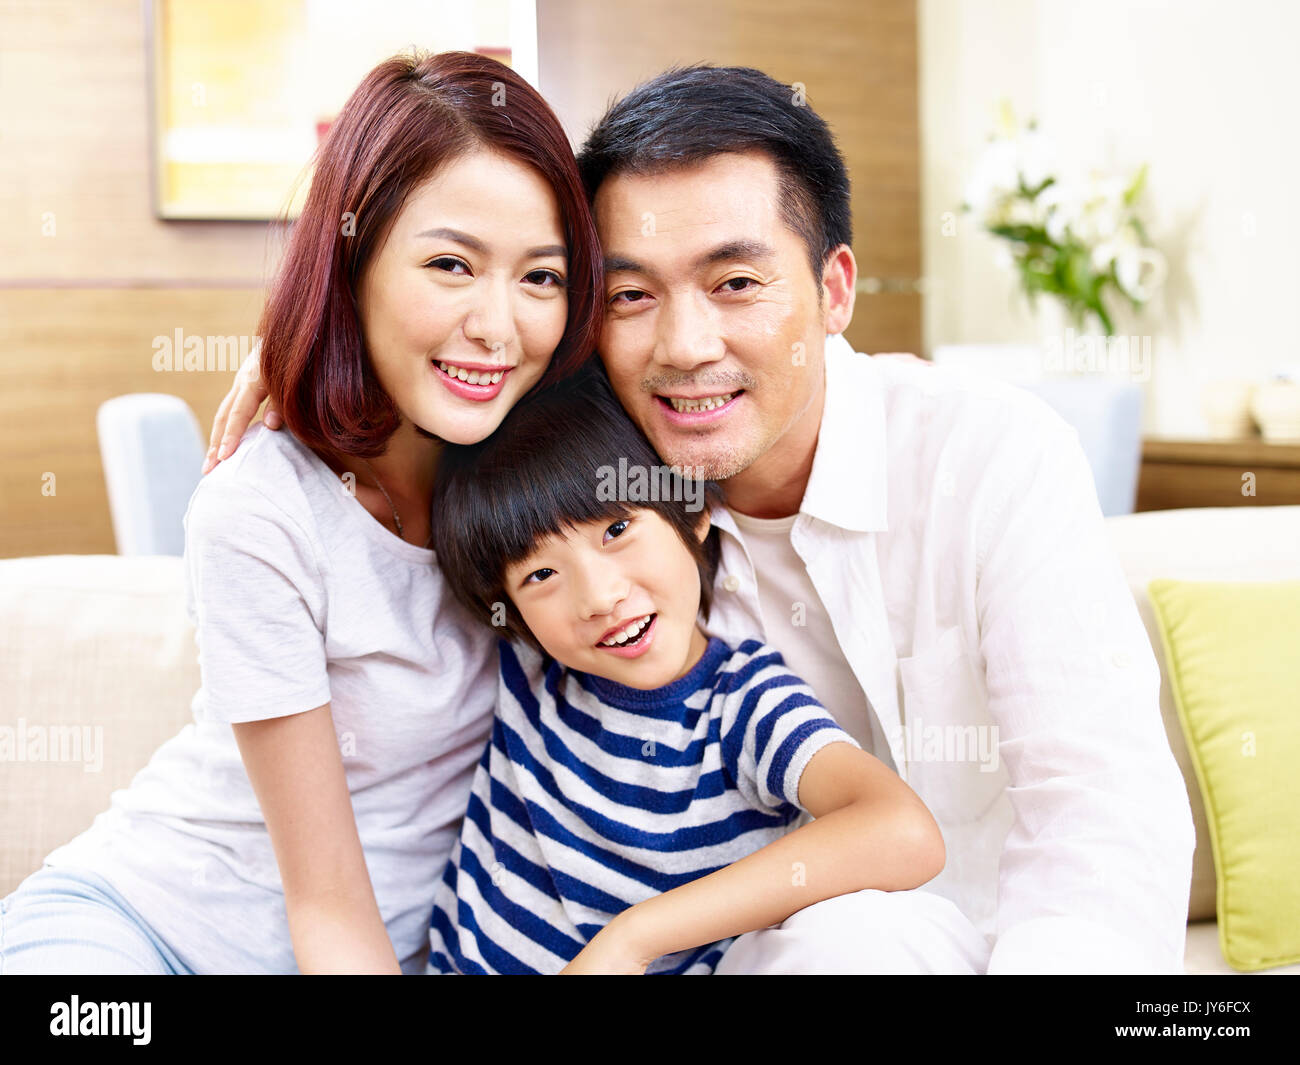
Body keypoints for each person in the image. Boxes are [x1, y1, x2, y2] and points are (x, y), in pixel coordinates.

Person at [206, 65, 1196, 975]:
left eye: (735, 282)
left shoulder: (988, 457)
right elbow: (437, 354)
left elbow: (1098, 824)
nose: (684, 346)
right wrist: (302, 356)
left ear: (833, 288)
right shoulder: (597, 468)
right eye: (630, 293)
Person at [0, 50, 601, 975]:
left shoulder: (566, 487)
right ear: (353, 261)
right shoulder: (262, 511)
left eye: (542, 277)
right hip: (140, 932)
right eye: (450, 264)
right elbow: (326, 906)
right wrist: (300, 356)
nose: (498, 324)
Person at [424, 365, 945, 974]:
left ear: (693, 516)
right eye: (540, 576)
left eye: (617, 529)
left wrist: (633, 938)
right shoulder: (531, 668)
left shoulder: (744, 705)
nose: (597, 596)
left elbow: (904, 832)